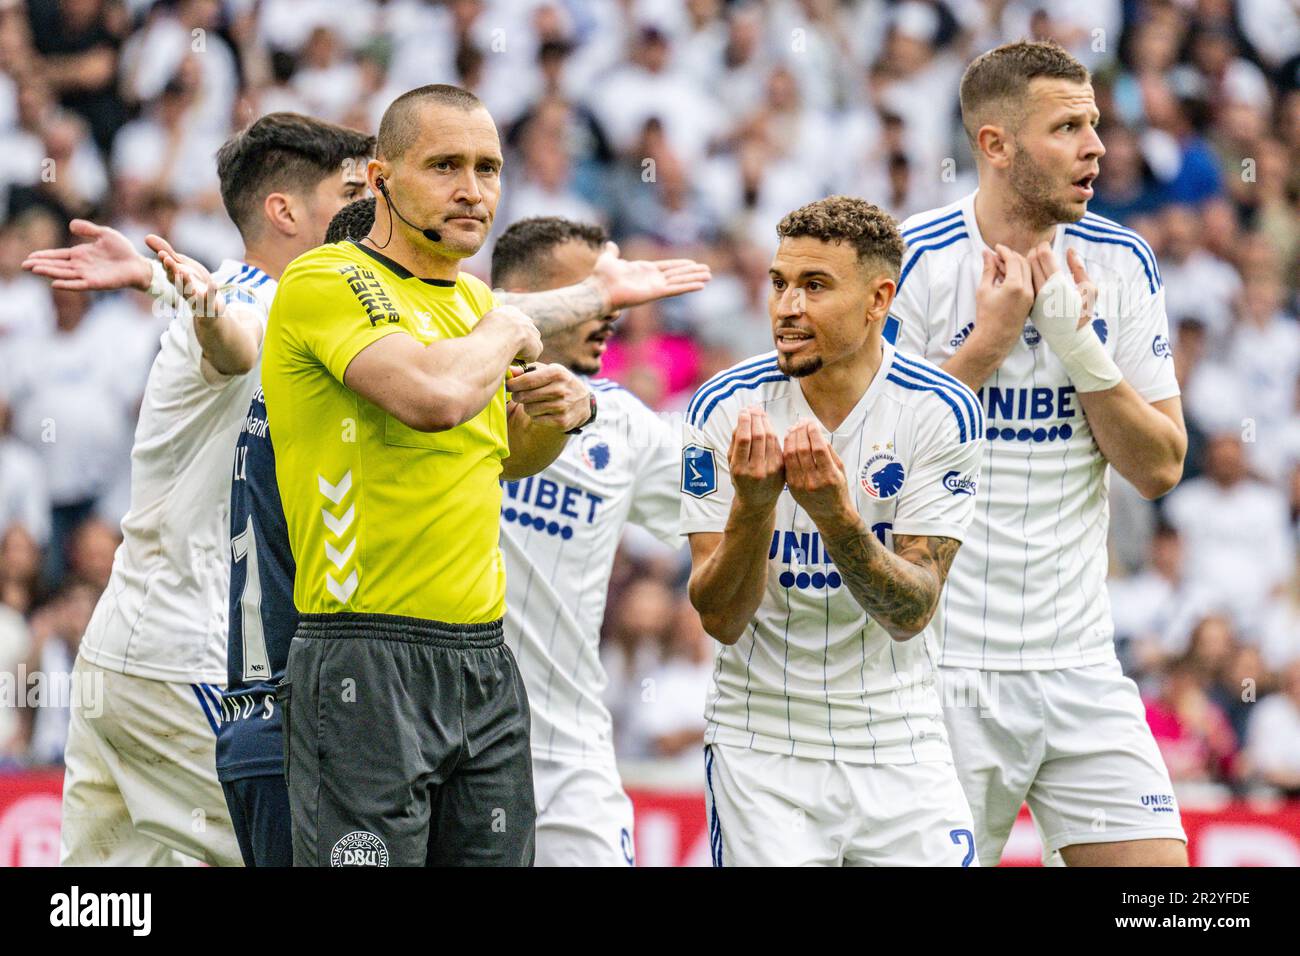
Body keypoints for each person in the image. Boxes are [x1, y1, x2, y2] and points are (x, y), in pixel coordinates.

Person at [261, 85, 709, 867]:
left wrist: (559, 413)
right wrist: (521, 320)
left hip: (482, 659)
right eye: (445, 166)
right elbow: (434, 399)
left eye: (489, 168)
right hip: (365, 651)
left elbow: (502, 455)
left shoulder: (472, 299)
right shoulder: (327, 279)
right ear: (380, 179)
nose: (473, 190)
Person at [22, 112, 374, 866]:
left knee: (100, 899)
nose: (370, 210)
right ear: (283, 211)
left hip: (125, 654)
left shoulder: (299, 306)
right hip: (187, 658)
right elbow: (232, 337)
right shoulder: (245, 306)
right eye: (351, 191)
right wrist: (184, 294)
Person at [888, 40, 1189, 866]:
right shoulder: (909, 261)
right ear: (995, 145)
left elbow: (1160, 466)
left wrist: (1078, 345)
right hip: (936, 669)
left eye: (1095, 124)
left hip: (1079, 662)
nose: (1098, 146)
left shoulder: (1123, 263)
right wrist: (985, 348)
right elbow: (871, 466)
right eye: (1067, 127)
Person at [683, 196, 984, 866]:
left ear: (880, 299)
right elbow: (720, 618)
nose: (788, 307)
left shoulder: (941, 411)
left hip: (899, 741)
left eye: (815, 287)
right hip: (764, 747)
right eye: (781, 283)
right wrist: (754, 508)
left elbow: (912, 612)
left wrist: (837, 518)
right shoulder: (720, 407)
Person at [490, 216, 684, 866]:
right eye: (595, 292)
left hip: (568, 757)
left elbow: (724, 497)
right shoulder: (436, 390)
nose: (614, 310)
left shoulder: (620, 421)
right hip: (440, 744)